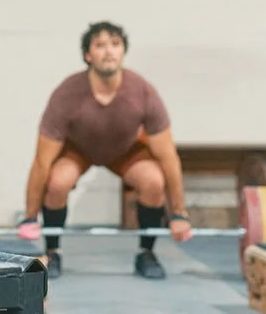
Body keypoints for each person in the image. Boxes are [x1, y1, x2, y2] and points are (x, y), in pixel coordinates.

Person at [17, 21, 192, 280]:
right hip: (79, 150)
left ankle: (147, 254)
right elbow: (42, 161)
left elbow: (168, 157)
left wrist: (178, 213)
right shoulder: (66, 95)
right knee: (57, 182)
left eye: (115, 44)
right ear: (88, 55)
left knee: (154, 181)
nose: (108, 51)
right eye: (100, 45)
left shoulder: (142, 92)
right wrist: (30, 215)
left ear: (123, 52)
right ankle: (53, 252)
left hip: (126, 151)